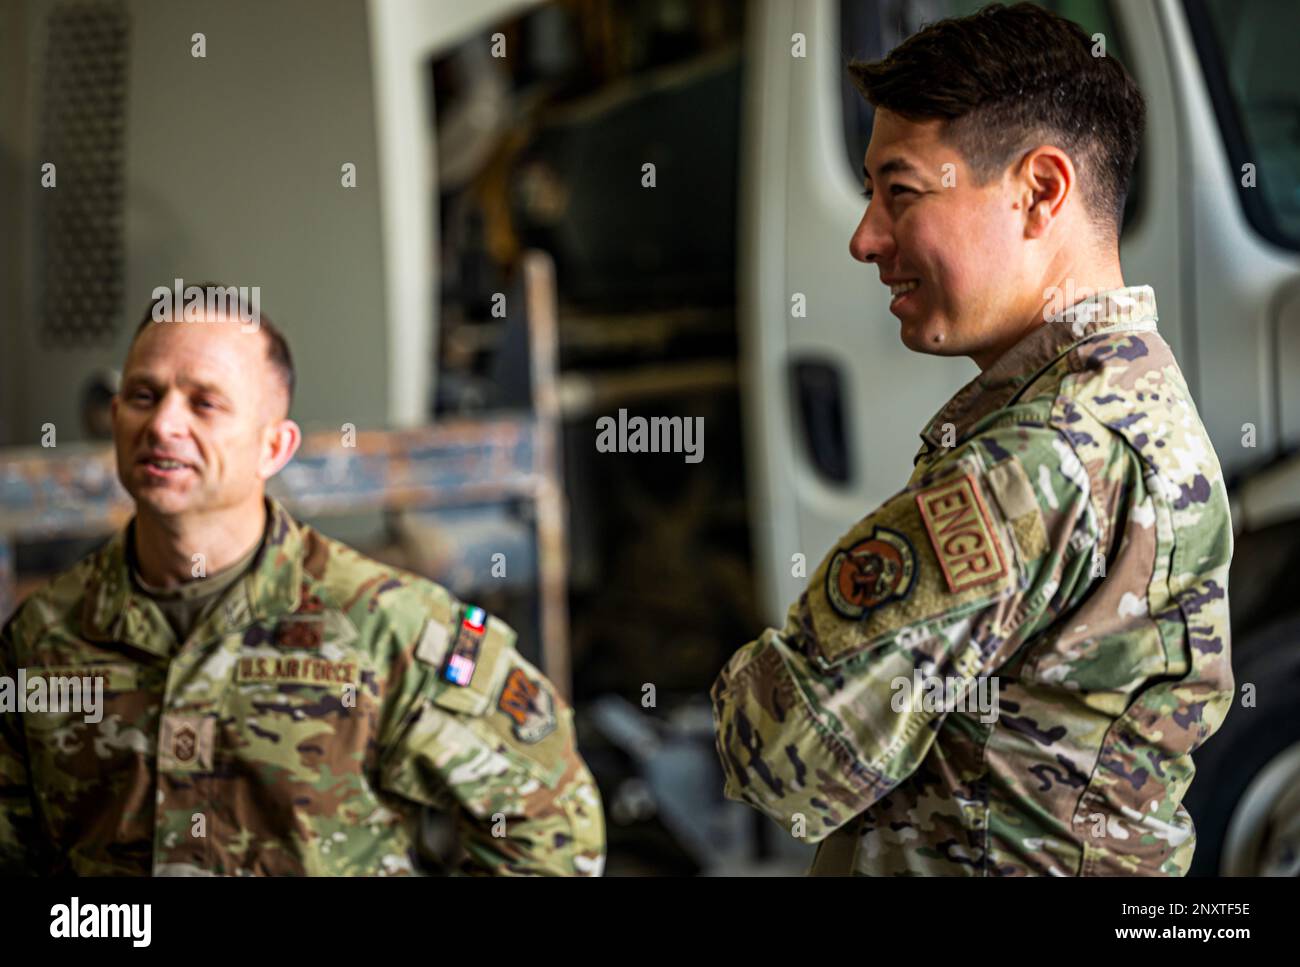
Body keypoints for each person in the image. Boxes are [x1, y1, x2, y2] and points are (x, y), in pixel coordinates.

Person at [711, 3, 1233, 876]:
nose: (865, 236)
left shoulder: (1035, 462)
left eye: (900, 192)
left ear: (1040, 190)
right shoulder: (1145, 403)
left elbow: (784, 751)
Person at [0, 291, 605, 876]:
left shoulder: (386, 626)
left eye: (204, 403)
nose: (163, 424)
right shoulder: (45, 637)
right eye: (142, 395)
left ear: (274, 446)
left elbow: (550, 825)